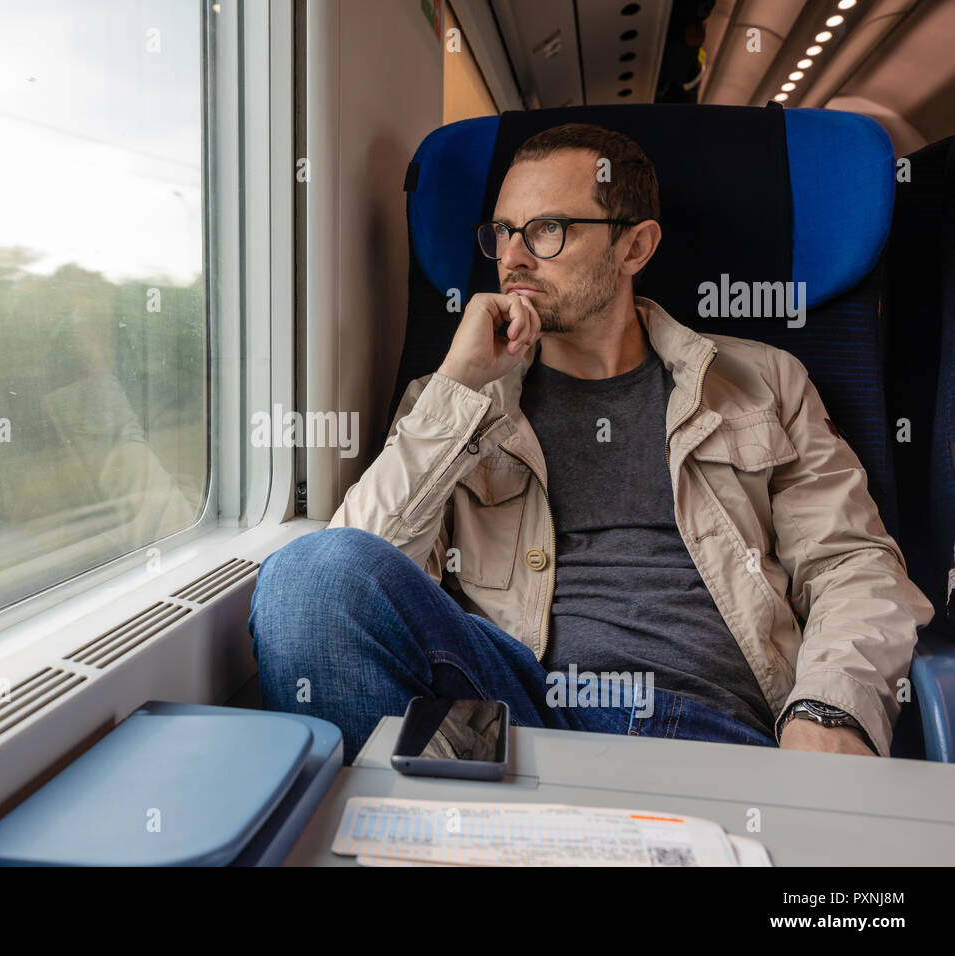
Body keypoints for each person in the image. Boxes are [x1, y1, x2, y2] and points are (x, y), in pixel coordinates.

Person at [248, 122, 933, 765]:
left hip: (713, 733)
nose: (512, 258)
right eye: (503, 232)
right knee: (303, 576)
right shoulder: (455, 398)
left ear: (635, 246)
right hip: (519, 723)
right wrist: (460, 386)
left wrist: (829, 711)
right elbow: (352, 579)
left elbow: (852, 563)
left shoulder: (760, 381)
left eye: (547, 230)